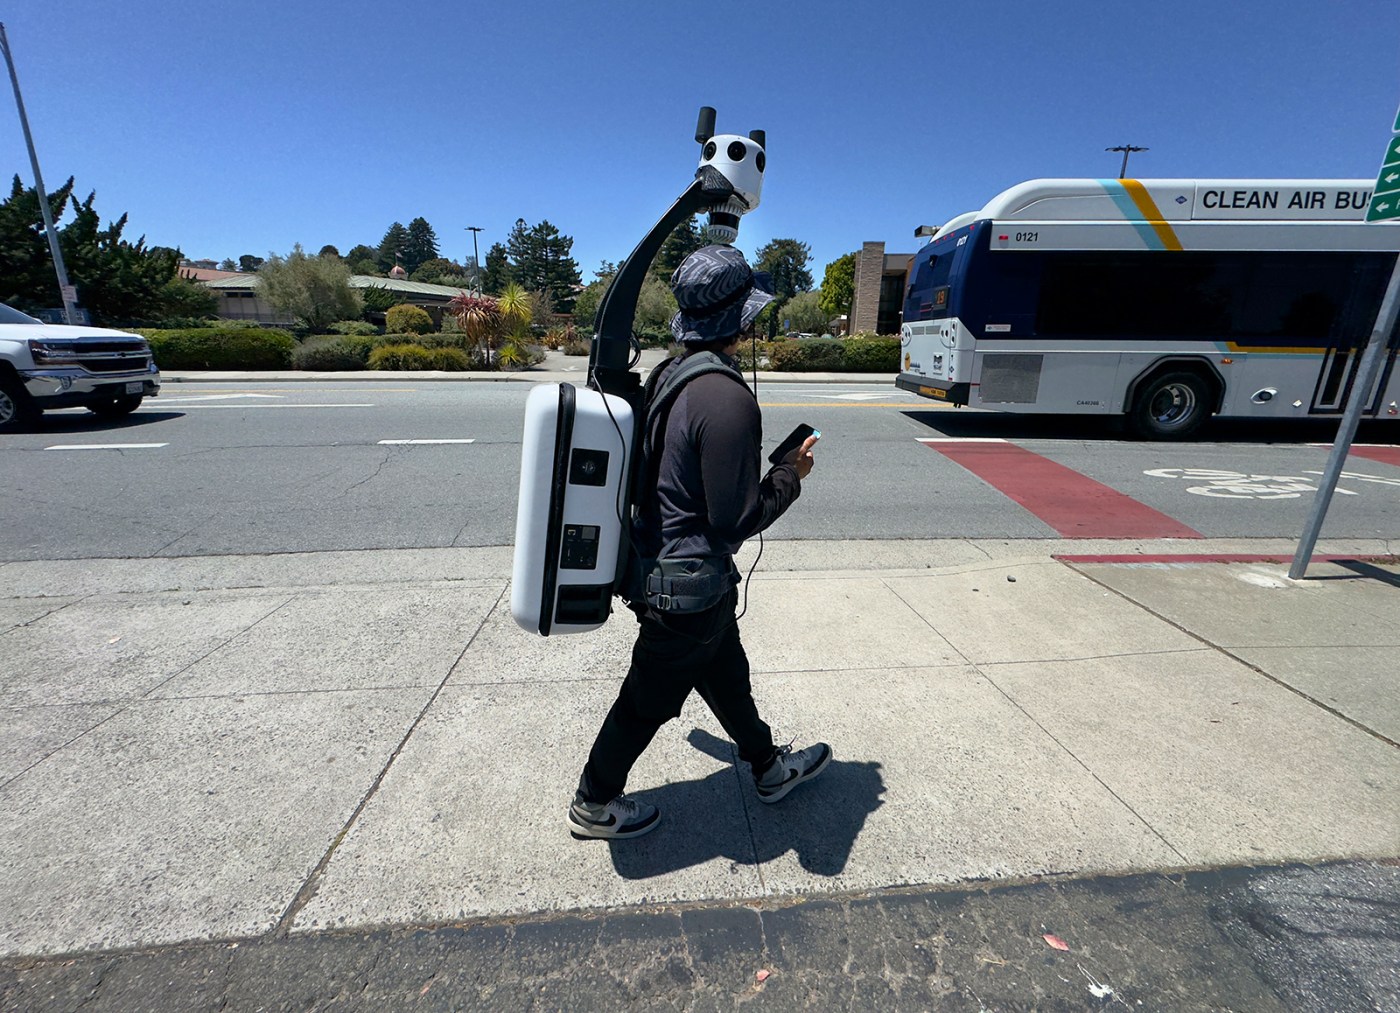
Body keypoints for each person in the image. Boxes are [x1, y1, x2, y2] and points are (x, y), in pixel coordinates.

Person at [568, 245, 831, 840]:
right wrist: (791, 473)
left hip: (666, 572)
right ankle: (594, 802)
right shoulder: (728, 398)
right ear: (745, 318)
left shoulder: (670, 374)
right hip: (685, 591)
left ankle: (767, 768)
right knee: (645, 701)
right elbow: (735, 519)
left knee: (726, 672)